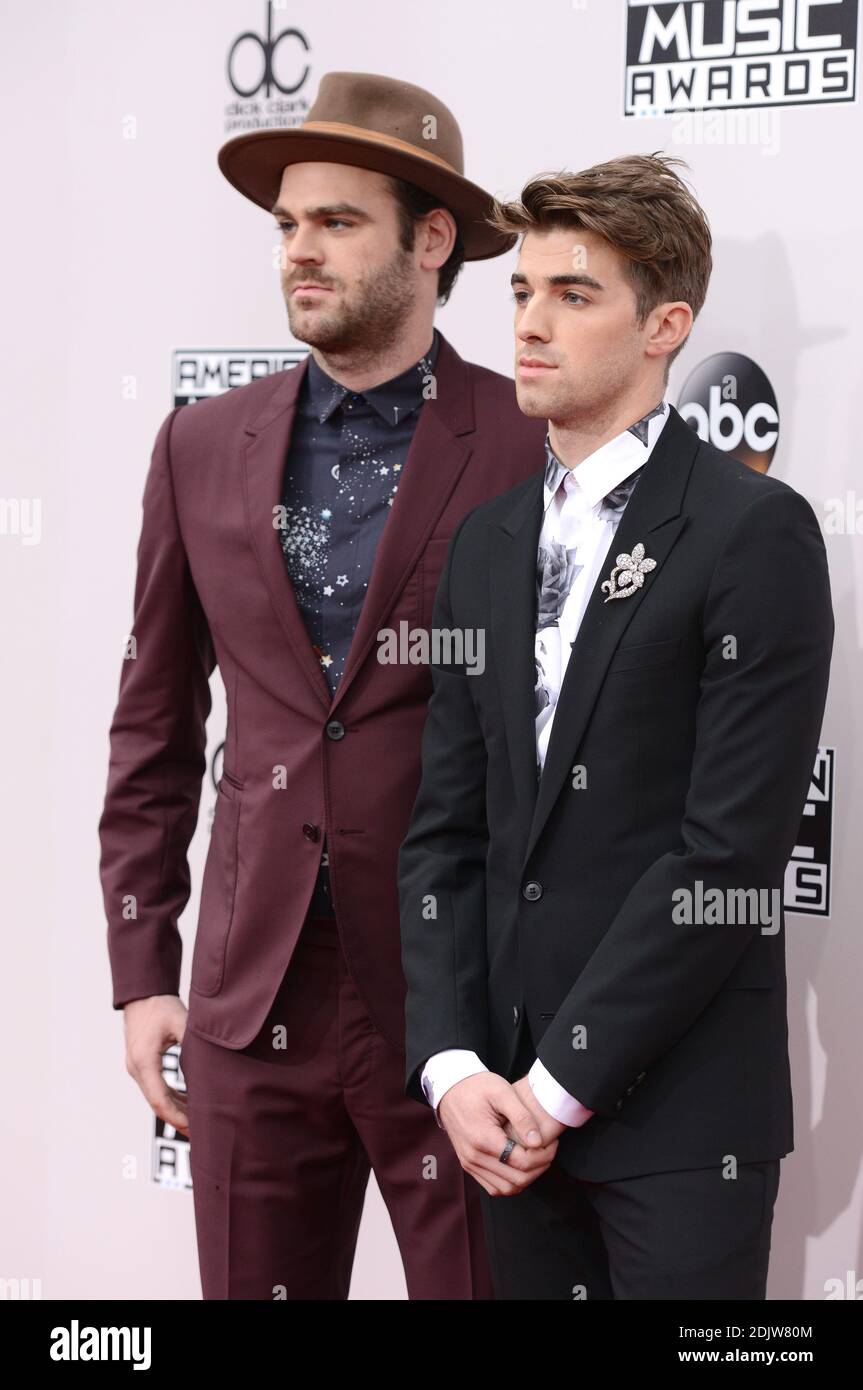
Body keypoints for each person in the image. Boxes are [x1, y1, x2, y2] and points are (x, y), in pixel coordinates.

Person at [98, 71, 548, 1300]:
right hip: (252, 999)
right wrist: (143, 969)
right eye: (288, 224)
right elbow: (153, 719)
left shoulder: (523, 440)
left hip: (461, 1000)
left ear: (431, 237)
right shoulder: (200, 443)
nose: (298, 249)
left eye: (337, 222)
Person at [399, 153, 834, 1299]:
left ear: (665, 325)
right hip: (500, 1122)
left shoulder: (754, 532)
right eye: (521, 291)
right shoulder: (483, 546)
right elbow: (444, 831)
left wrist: (555, 1086)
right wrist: (452, 1064)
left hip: (683, 1123)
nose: (530, 323)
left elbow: (727, 857)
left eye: (573, 294)